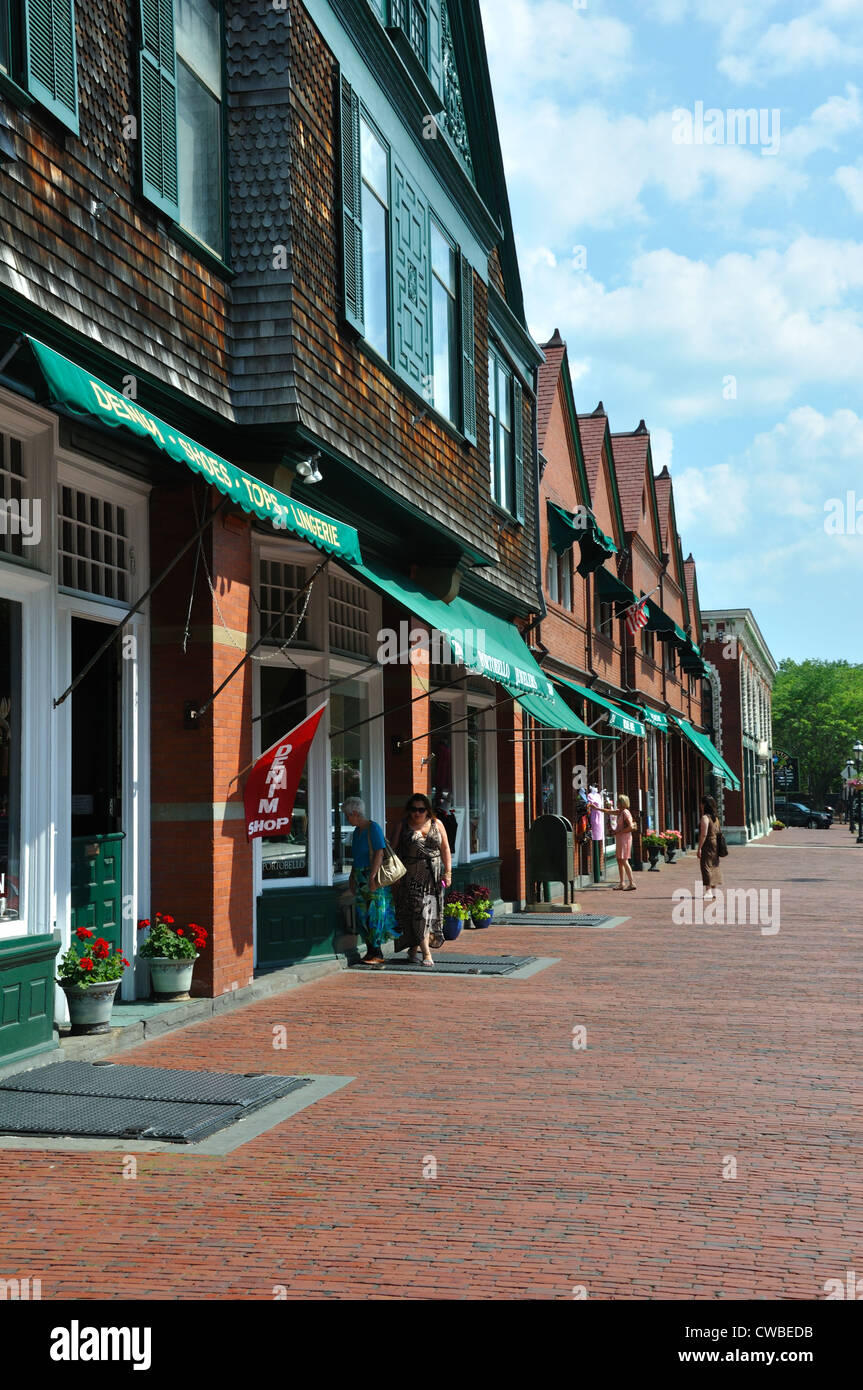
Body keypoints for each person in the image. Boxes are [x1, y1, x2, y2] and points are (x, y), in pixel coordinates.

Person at [393, 792, 452, 968]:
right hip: (411, 876)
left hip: (433, 876)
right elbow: (393, 849)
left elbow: (446, 848)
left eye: (421, 809)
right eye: (413, 810)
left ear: (427, 810)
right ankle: (426, 952)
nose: (417, 813)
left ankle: (413, 949)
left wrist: (448, 873)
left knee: (429, 913)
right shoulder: (403, 825)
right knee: (420, 913)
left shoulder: (437, 823)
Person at [344, 797, 399, 966]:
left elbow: (379, 853)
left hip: (372, 876)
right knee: (362, 915)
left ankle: (377, 952)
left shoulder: (373, 828)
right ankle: (370, 950)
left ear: (355, 813)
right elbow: (356, 857)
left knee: (375, 914)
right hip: (360, 876)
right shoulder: (357, 832)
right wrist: (352, 877)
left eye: (347, 815)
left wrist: (373, 878)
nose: (346, 819)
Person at [604, 794, 636, 891]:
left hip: (624, 838)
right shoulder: (620, 812)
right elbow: (608, 811)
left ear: (622, 803)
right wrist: (595, 808)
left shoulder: (625, 813)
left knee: (624, 859)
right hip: (620, 838)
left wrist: (619, 832)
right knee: (619, 860)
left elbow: (631, 826)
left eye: (618, 802)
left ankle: (631, 883)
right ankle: (622, 883)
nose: (617, 803)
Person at [697, 794, 723, 901]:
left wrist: (699, 848)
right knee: (714, 865)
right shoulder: (716, 818)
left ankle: (708, 891)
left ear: (704, 805)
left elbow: (703, 834)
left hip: (708, 843)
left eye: (701, 803)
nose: (700, 805)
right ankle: (713, 890)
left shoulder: (705, 818)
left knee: (705, 865)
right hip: (715, 843)